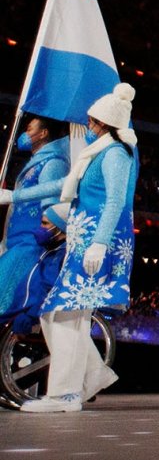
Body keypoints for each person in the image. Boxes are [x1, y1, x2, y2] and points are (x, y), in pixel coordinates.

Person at [13, 86, 139, 414]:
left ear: (105, 122)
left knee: (61, 312)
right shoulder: (98, 152)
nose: (87, 125)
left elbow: (115, 200)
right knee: (67, 314)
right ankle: (92, 376)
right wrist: (13, 197)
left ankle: (65, 395)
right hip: (85, 240)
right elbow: (63, 185)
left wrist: (98, 243)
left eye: (92, 120)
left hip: (99, 242)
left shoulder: (115, 153)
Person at [0, 114, 70, 320]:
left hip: (29, 244)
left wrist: (42, 235)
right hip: (15, 241)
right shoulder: (38, 160)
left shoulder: (53, 162)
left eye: (30, 129)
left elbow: (51, 203)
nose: (25, 134)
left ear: (43, 133)